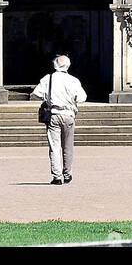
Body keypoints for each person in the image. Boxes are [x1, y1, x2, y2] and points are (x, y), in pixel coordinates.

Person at [30, 54, 87, 185]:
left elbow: (36, 93)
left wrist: (47, 98)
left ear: (55, 65)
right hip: (69, 114)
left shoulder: (48, 78)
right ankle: (67, 174)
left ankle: (57, 177)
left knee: (54, 147)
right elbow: (82, 97)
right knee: (68, 146)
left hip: (54, 114)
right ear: (68, 66)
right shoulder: (73, 80)